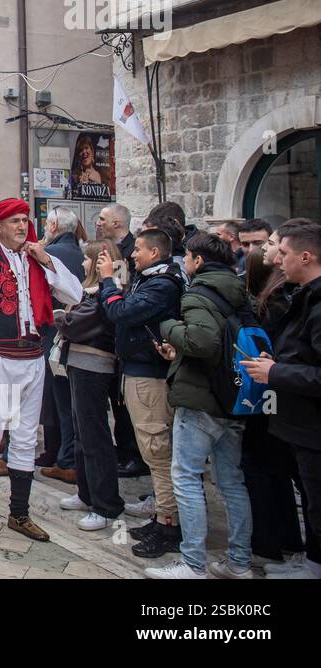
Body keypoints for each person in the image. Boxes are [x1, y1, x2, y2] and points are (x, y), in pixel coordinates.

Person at [0, 197, 83, 542]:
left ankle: (19, 513)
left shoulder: (36, 258)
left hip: (32, 358)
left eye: (25, 220)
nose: (22, 226)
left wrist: (47, 258)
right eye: (14, 221)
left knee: (25, 436)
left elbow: (75, 292)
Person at [146, 232, 254, 579]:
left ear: (199, 261)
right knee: (232, 482)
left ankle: (193, 564)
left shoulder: (199, 295)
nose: (185, 263)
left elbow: (202, 341)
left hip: (201, 399)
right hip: (235, 396)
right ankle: (239, 561)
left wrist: (169, 326)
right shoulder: (240, 292)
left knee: (186, 477)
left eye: (188, 257)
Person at [97, 226, 185, 558]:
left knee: (157, 450)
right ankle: (164, 516)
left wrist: (108, 281)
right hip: (138, 371)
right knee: (153, 450)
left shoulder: (162, 285)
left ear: (155, 253)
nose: (132, 254)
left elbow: (121, 312)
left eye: (139, 250)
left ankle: (169, 524)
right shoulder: (150, 280)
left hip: (150, 376)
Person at [244, 221, 321, 579]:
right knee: (308, 495)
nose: (277, 260)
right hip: (298, 420)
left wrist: (275, 373)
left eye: (283, 252)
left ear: (306, 257)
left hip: (311, 422)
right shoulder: (303, 295)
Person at [56, 240, 149, 531]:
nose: (83, 264)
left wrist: (61, 317)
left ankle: (106, 505)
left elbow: (74, 323)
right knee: (83, 433)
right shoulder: (95, 292)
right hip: (80, 363)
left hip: (93, 365)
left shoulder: (107, 293)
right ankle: (87, 494)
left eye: (87, 259)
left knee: (94, 434)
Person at [39, 207, 86, 485]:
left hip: (54, 333)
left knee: (60, 401)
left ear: (54, 225)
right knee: (62, 401)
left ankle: (65, 458)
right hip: (75, 334)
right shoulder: (81, 253)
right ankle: (57, 452)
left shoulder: (51, 256)